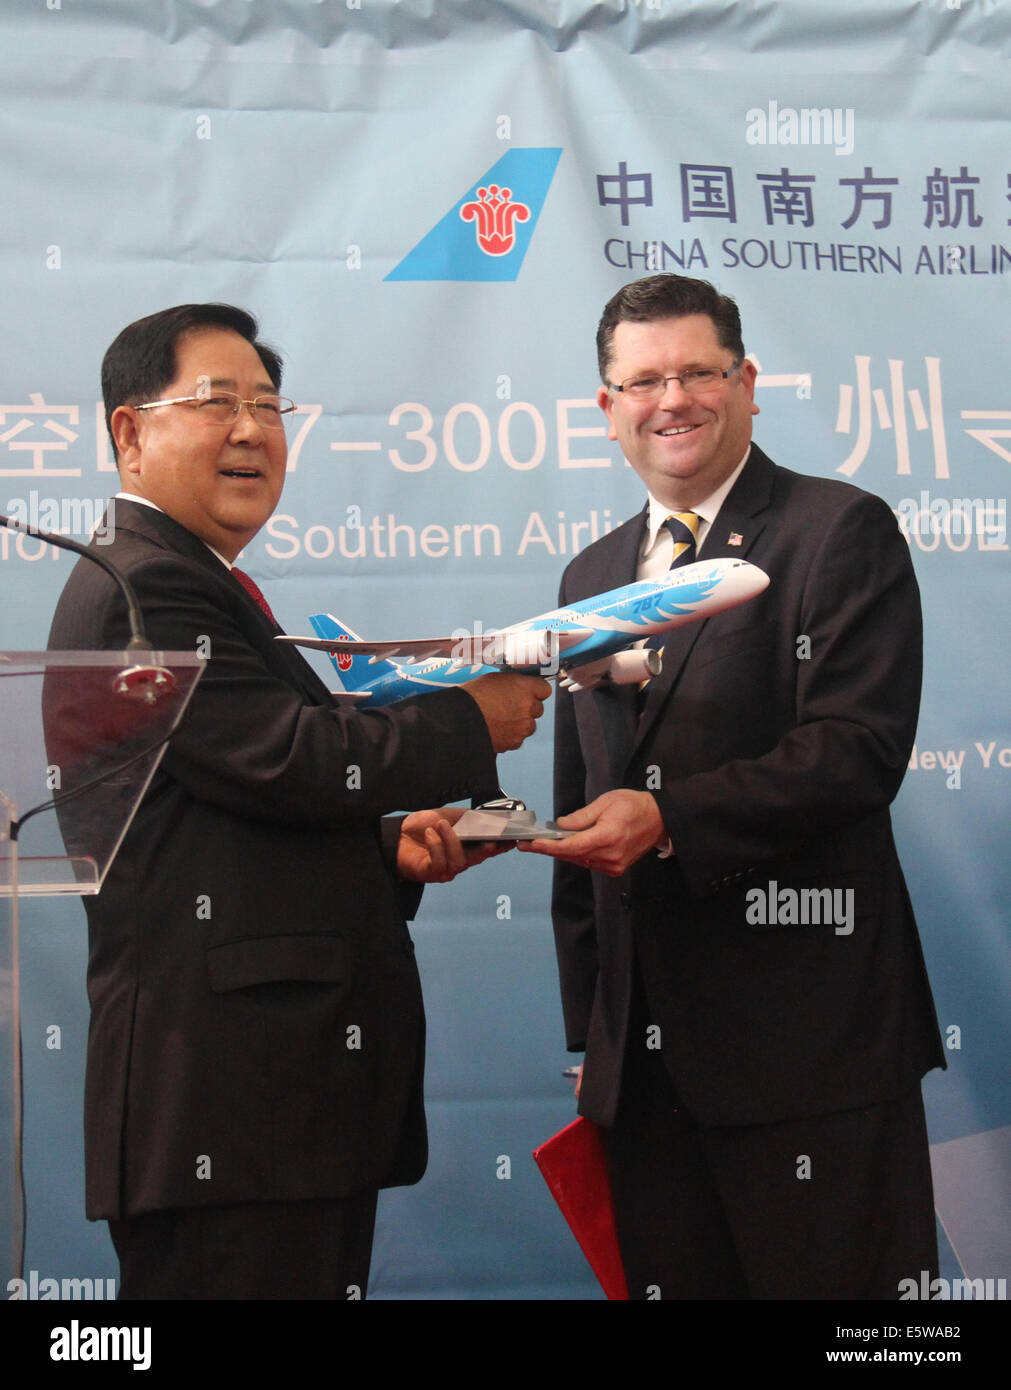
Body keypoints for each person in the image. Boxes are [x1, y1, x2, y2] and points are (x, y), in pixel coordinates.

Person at [47, 302, 550, 1299]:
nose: (251, 430)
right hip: (227, 1111)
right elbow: (290, 759)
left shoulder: (195, 581)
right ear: (129, 432)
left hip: (264, 1113)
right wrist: (468, 720)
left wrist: (390, 848)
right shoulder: (144, 588)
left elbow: (231, 817)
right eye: (217, 402)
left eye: (269, 406)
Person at [522, 274, 944, 1300]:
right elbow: (583, 807)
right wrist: (596, 1038)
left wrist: (667, 819)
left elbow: (856, 750)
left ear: (747, 382)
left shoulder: (838, 531)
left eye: (698, 373)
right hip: (646, 1083)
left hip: (812, 1058)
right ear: (606, 408)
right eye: (643, 380)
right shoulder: (590, 576)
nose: (673, 399)